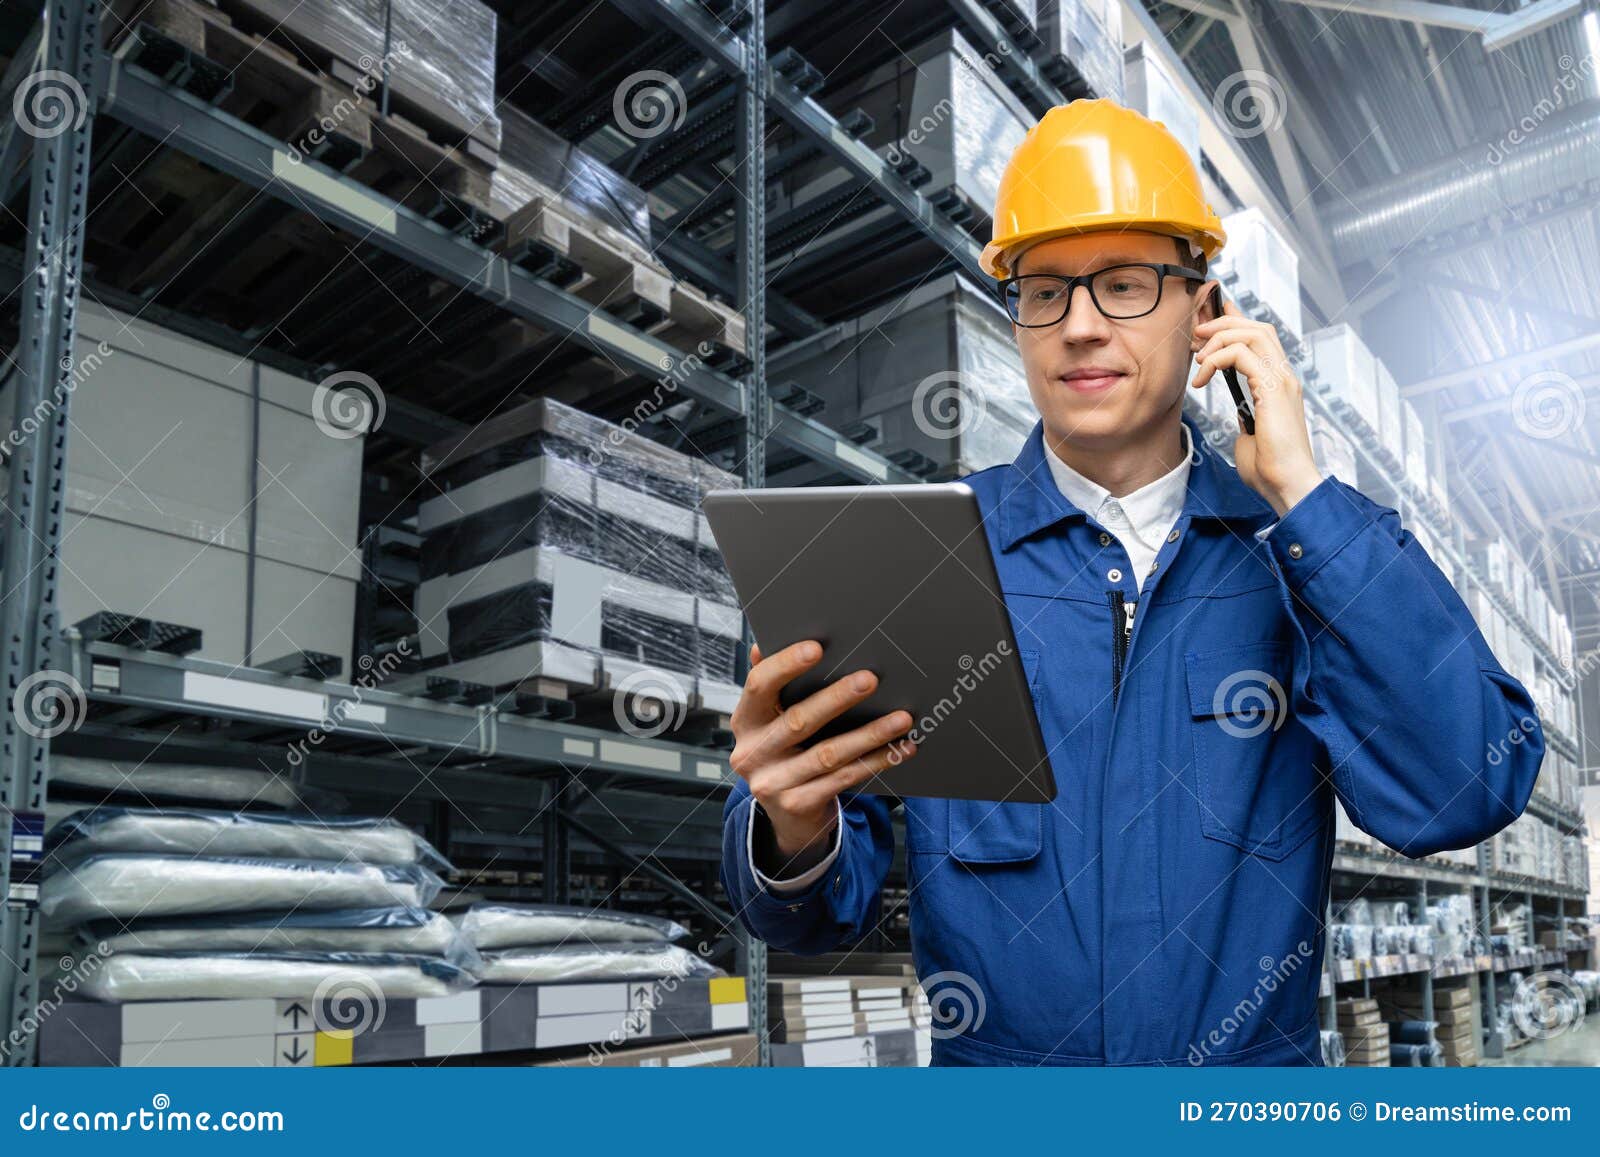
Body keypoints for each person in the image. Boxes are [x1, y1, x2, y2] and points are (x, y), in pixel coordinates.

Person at [717, 99, 1543, 1066]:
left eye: (1123, 284)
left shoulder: (1308, 557)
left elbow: (1465, 786)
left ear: (1206, 313)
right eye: (1044, 291)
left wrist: (1303, 494)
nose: (1078, 327)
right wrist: (791, 824)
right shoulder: (911, 558)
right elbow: (815, 913)